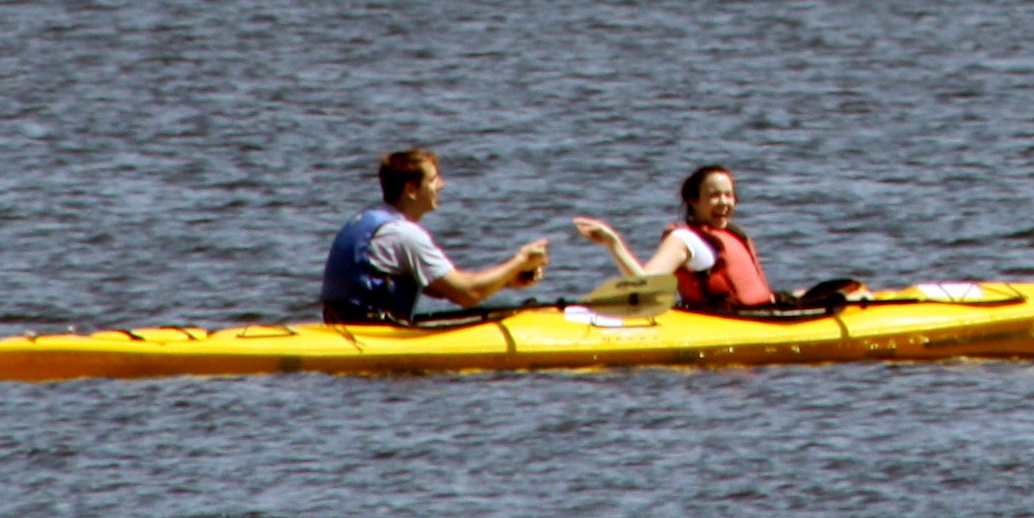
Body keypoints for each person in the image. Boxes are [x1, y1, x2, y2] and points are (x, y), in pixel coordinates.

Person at [320, 146, 546, 326]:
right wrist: (520, 261)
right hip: (372, 335)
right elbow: (467, 293)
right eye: (433, 179)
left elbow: (440, 287)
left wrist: (506, 280)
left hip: (343, 326)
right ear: (412, 189)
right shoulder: (403, 235)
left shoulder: (367, 218)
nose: (442, 185)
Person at [574, 164, 779, 318]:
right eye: (715, 195)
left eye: (729, 195)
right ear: (693, 200)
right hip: (722, 321)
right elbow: (644, 285)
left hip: (760, 314)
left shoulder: (732, 235)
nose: (724, 202)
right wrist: (614, 244)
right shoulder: (684, 240)